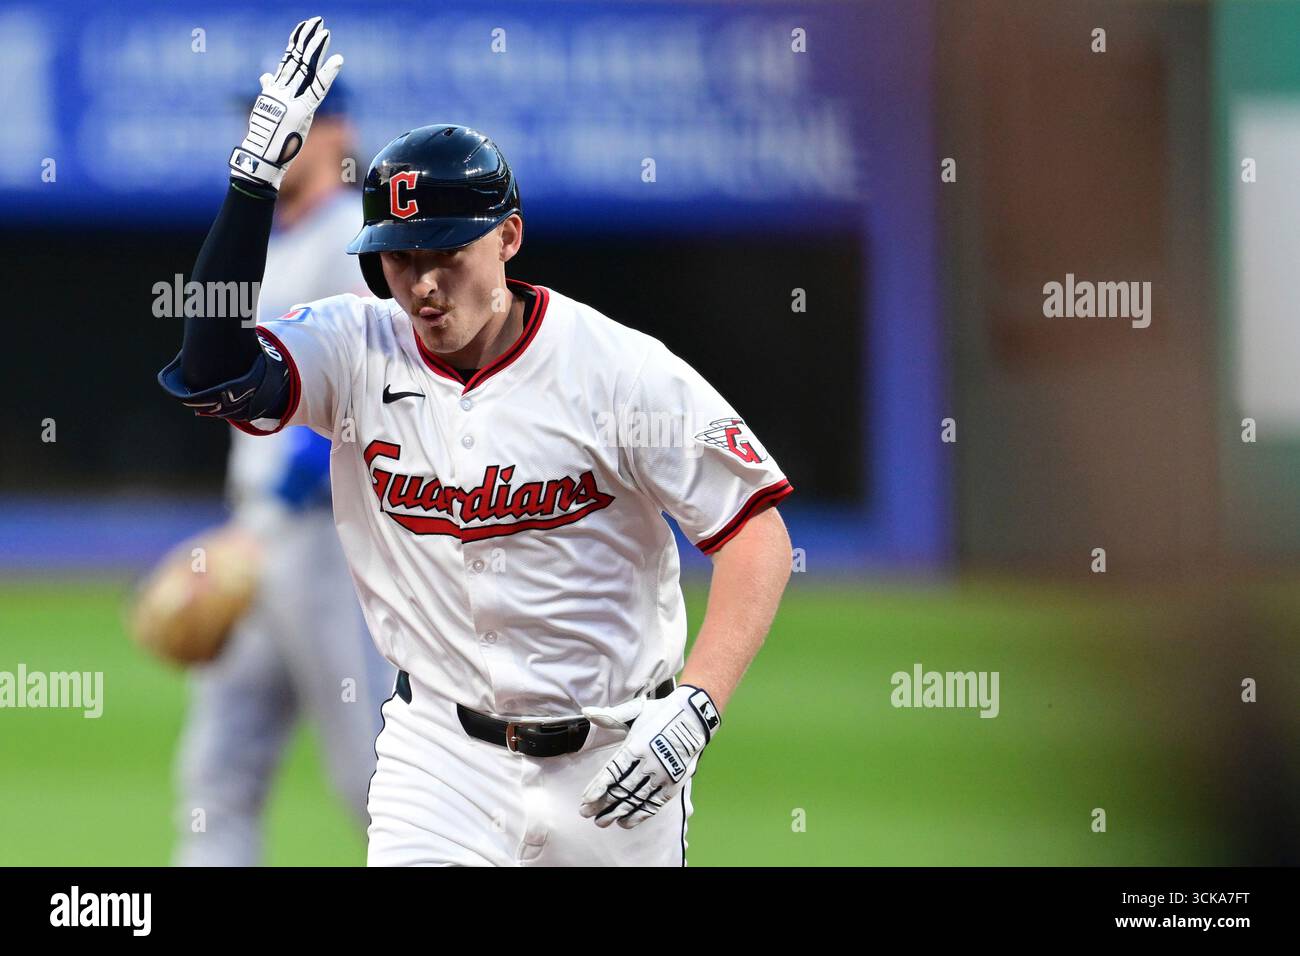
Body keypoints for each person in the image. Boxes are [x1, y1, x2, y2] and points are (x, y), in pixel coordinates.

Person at [159, 16, 793, 866]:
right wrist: (251, 182)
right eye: (398, 255)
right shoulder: (358, 345)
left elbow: (756, 532)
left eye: (447, 251)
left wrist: (701, 703)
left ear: (508, 236)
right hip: (441, 760)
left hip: (616, 764)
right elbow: (212, 365)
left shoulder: (618, 371)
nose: (422, 281)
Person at [171, 71, 392, 866]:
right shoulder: (279, 240)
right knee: (217, 773)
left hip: (329, 543)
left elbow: (376, 388)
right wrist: (250, 530)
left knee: (375, 775)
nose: (268, 139)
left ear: (336, 134)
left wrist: (277, 508)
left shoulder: (350, 237)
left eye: (301, 125)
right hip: (261, 535)